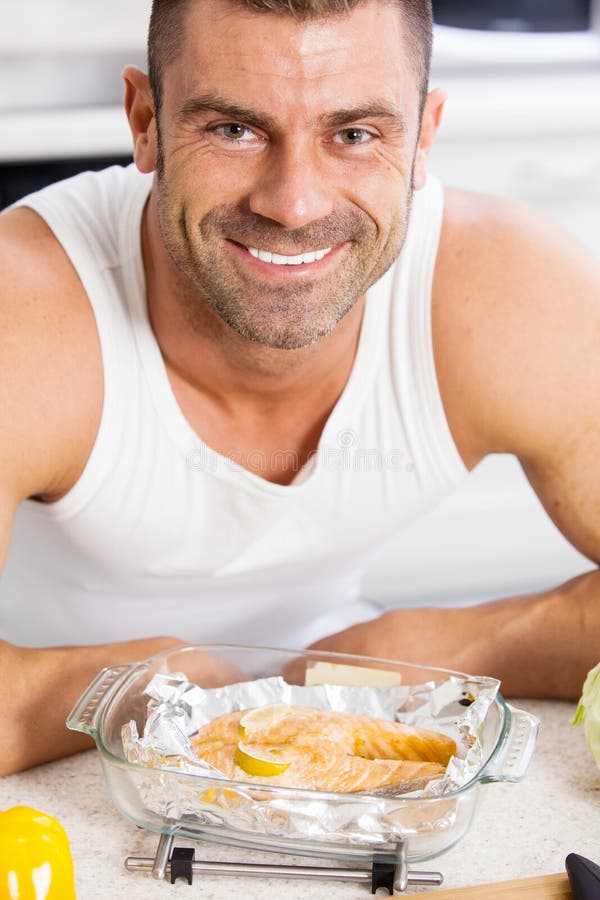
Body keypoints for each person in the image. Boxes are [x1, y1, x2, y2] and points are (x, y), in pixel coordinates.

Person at [0, 0, 598, 776]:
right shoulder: (23, 309)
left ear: (423, 138)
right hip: (48, 755)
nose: (294, 204)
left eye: (353, 135)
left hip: (339, 706)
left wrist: (456, 645)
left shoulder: (508, 289)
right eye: (234, 129)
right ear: (145, 121)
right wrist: (156, 683)